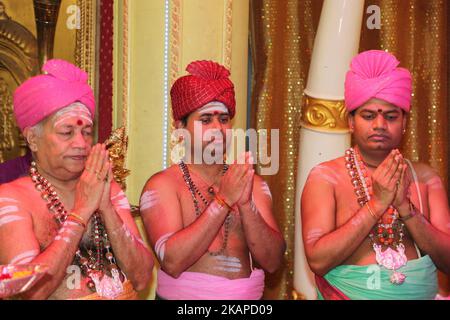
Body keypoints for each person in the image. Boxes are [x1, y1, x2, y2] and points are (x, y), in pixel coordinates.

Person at [301, 50, 450, 300]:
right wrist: (376, 205)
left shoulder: (425, 178)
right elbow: (318, 259)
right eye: (368, 116)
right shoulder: (326, 177)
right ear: (350, 121)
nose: (380, 125)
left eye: (391, 116)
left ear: (404, 122)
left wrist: (407, 209)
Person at [0, 59, 153, 299]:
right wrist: (80, 213)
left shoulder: (107, 190)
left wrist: (107, 209)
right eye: (66, 132)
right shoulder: (11, 199)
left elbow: (143, 278)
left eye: (86, 132)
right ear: (32, 139)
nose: (81, 144)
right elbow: (31, 291)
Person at [140, 60, 285, 300]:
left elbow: (272, 261)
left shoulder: (253, 183)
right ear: (180, 128)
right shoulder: (162, 186)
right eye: (206, 120)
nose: (218, 128)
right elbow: (173, 262)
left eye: (224, 119)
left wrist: (247, 205)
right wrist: (223, 200)